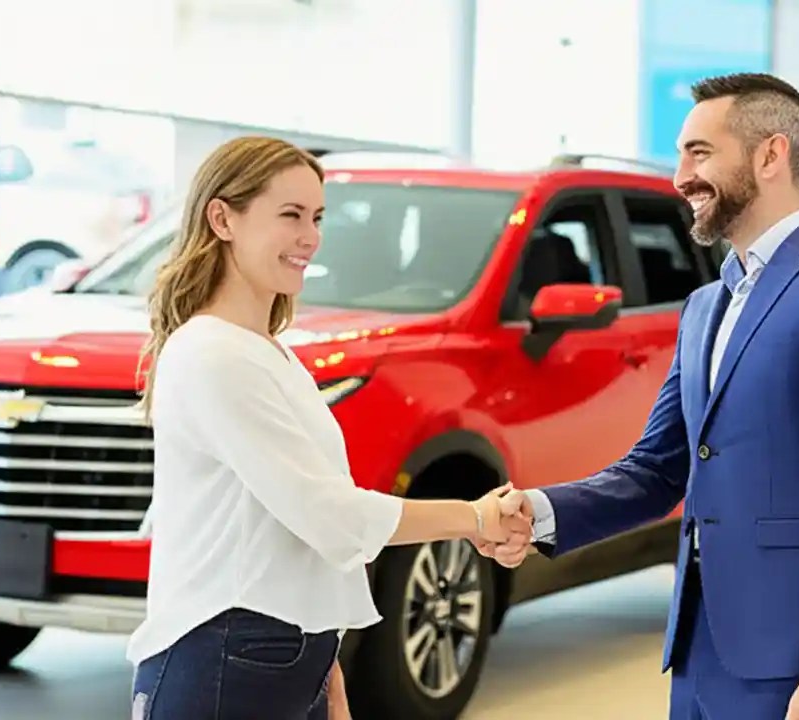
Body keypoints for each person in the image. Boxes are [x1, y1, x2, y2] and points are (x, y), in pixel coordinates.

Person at [483, 73, 799, 720]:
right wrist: (539, 511)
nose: (680, 177)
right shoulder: (704, 307)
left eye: (699, 153)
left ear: (771, 155)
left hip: (796, 657)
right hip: (698, 645)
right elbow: (658, 471)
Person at [124, 136, 529, 719]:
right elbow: (329, 515)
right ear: (222, 218)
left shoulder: (270, 353)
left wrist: (323, 660)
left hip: (281, 654)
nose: (310, 237)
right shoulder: (213, 355)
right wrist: (473, 517)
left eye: (316, 217)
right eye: (290, 215)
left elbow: (286, 533)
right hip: (222, 656)